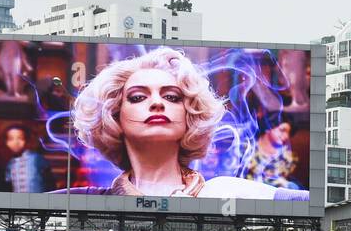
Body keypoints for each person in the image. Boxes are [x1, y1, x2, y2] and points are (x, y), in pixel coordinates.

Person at [62, 47, 307, 201]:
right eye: (137, 97)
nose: (157, 103)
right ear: (115, 115)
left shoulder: (224, 193)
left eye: (171, 97)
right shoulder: (84, 202)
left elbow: (316, 206)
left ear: (190, 113)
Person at [0, 123, 55, 193]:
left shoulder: (36, 159)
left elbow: (50, 182)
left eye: (20, 138)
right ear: (6, 142)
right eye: (11, 139)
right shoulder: (10, 164)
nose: (16, 142)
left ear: (26, 140)